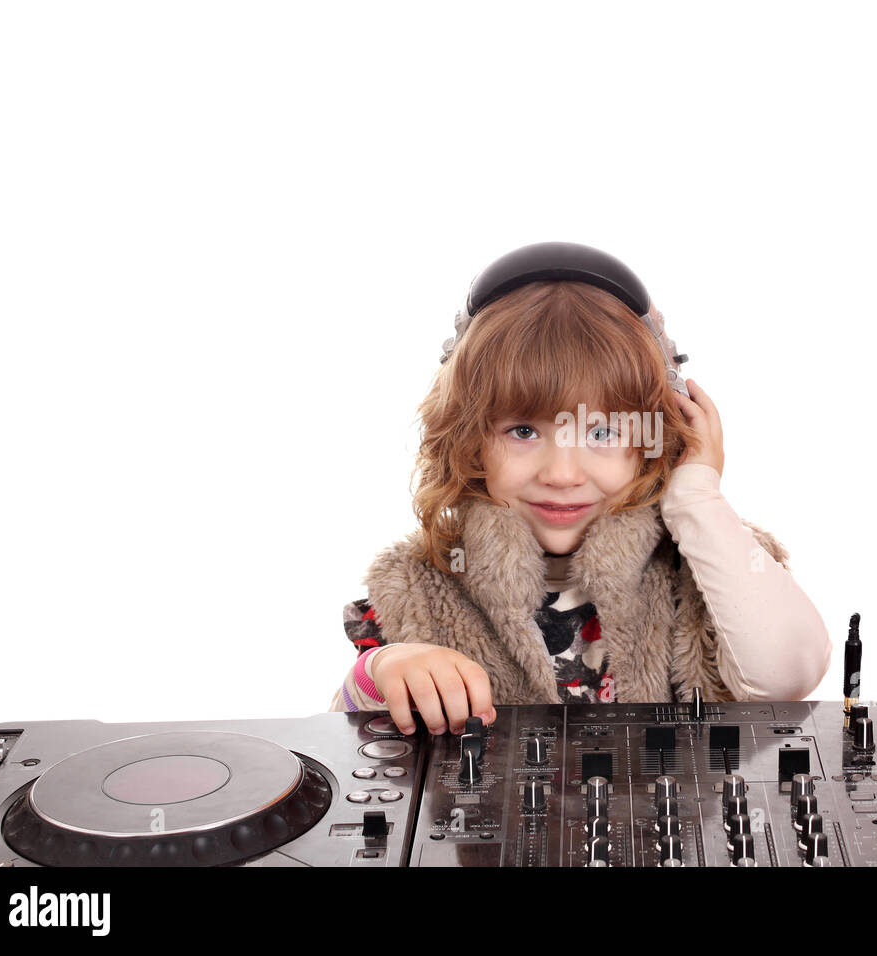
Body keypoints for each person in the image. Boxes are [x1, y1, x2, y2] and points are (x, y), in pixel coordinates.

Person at [330, 243, 830, 735]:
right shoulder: (414, 588)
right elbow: (344, 753)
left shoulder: (712, 562)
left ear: (661, 434)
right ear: (469, 440)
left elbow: (788, 676)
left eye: (602, 433)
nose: (563, 474)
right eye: (523, 431)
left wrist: (696, 496)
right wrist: (381, 671)